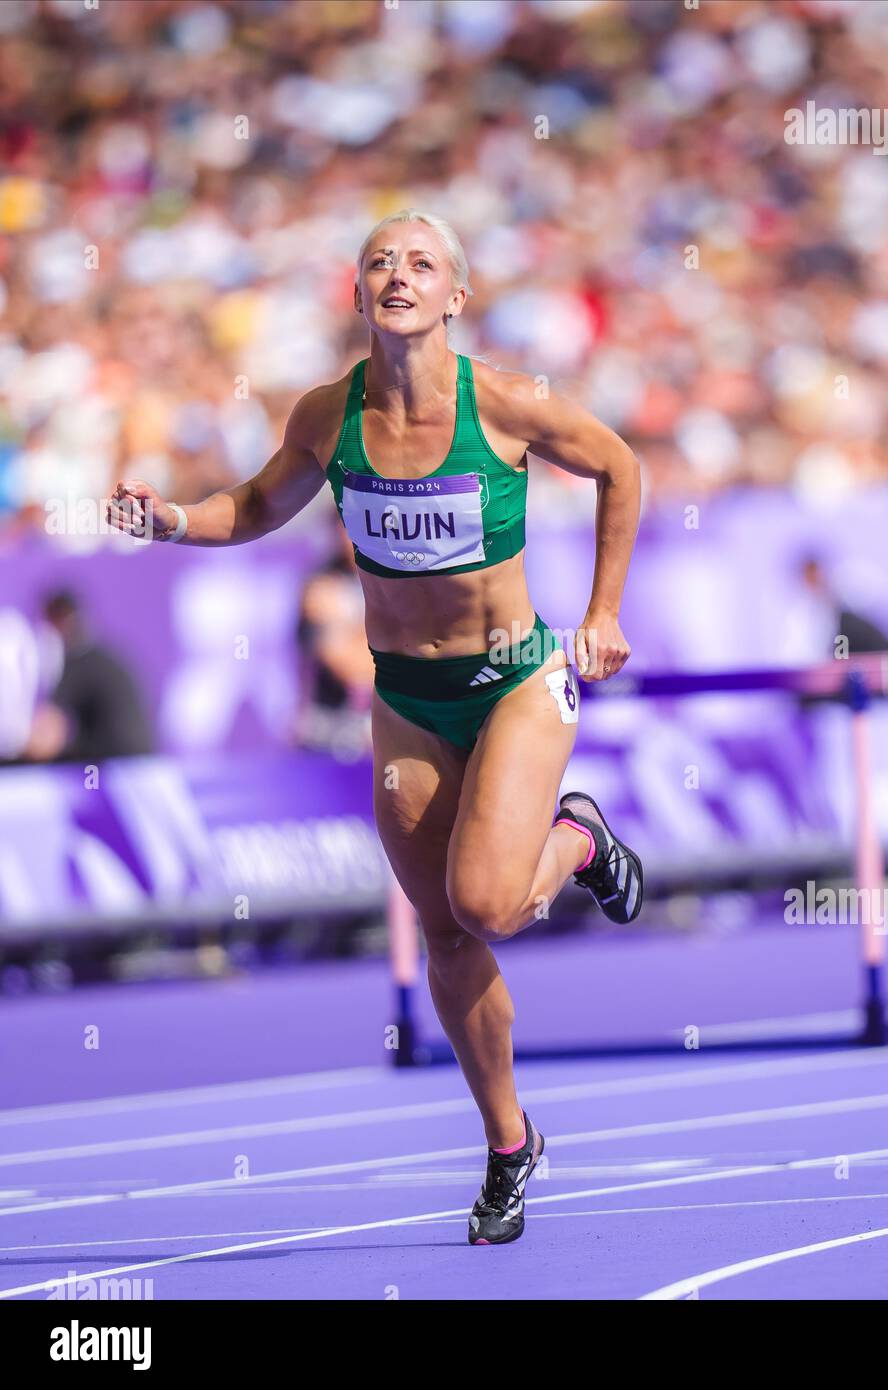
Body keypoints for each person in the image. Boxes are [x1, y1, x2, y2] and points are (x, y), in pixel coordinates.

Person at [107, 209, 644, 1246]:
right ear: (356, 296)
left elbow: (620, 464)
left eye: (421, 262)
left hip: (515, 682)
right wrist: (171, 518)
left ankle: (573, 832)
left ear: (456, 294)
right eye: (377, 263)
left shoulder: (506, 403)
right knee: (441, 932)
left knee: (485, 900)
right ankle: (507, 1144)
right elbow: (260, 504)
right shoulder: (326, 413)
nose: (397, 274)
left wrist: (602, 611)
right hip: (404, 695)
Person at [39, 590, 155, 762]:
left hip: (112, 766)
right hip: (142, 761)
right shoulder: (102, 657)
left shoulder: (78, 665)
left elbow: (45, 741)